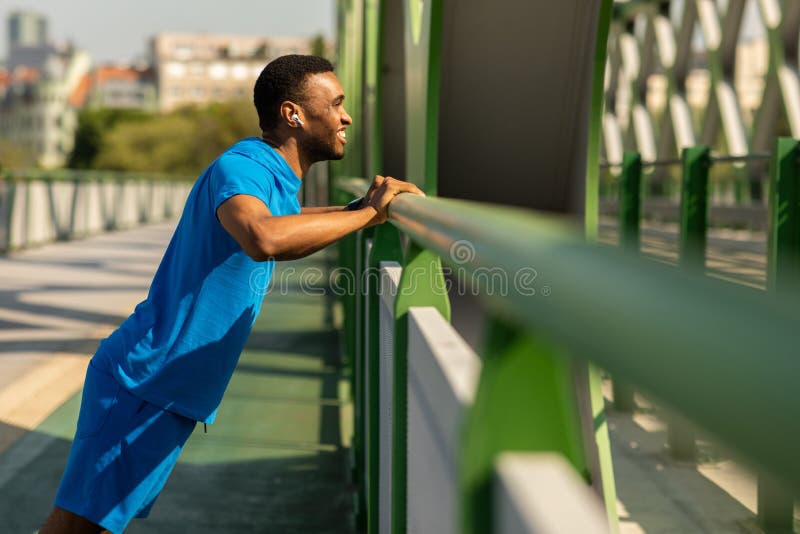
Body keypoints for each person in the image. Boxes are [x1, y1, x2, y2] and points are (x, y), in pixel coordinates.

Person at [41, 54, 423, 534]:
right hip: (144, 382)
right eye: (337, 104)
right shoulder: (242, 167)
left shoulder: (271, 174)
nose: (346, 117)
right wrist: (370, 216)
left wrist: (360, 206)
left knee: (90, 528)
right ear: (294, 115)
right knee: (74, 528)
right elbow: (264, 238)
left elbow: (290, 226)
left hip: (165, 389)